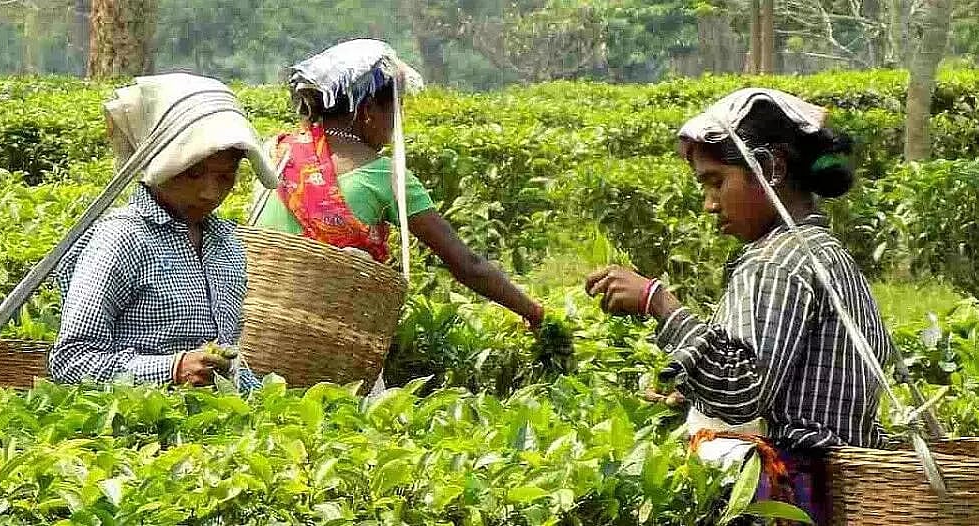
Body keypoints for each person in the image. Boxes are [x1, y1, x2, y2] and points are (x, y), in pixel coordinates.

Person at [585, 88, 893, 524]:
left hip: (791, 497)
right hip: (835, 490)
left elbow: (741, 391)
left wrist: (658, 303)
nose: (709, 204)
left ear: (770, 169)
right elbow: (784, 381)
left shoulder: (778, 262)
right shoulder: (821, 251)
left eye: (716, 181)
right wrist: (687, 390)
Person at [250, 39, 543, 328]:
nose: (395, 122)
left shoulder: (278, 152)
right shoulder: (385, 177)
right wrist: (533, 312)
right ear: (368, 112)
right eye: (395, 109)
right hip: (329, 337)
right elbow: (468, 265)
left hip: (256, 324)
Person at [49, 73, 280, 393]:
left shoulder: (227, 244)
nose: (210, 193)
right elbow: (71, 361)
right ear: (160, 166)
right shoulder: (121, 241)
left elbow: (228, 363)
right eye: (193, 173)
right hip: (143, 428)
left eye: (225, 176)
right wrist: (170, 370)